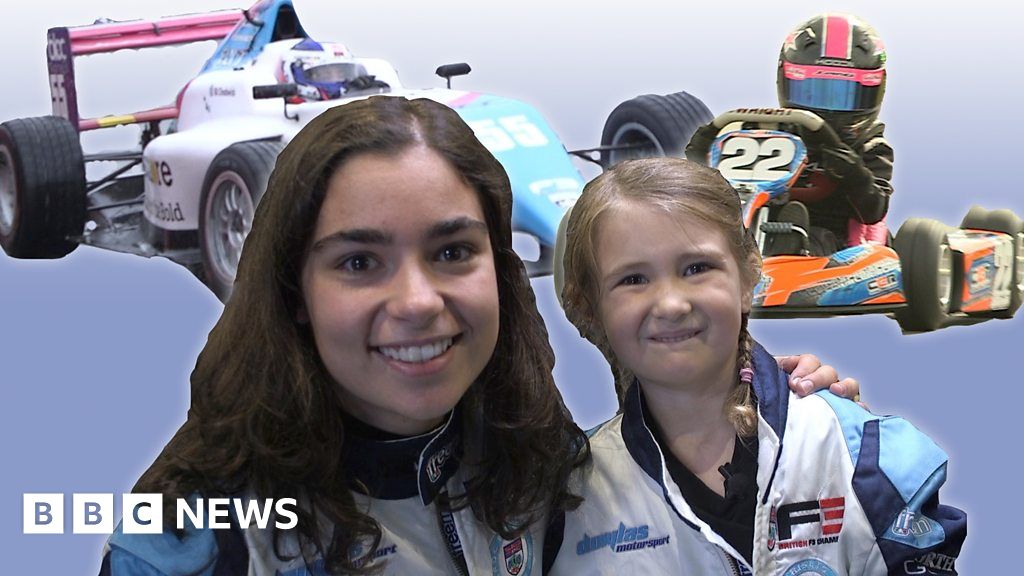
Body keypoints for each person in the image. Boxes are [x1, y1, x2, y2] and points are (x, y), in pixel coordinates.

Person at [99, 97, 852, 575]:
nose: (419, 301)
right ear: (295, 292)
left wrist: (779, 427)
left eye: (453, 252)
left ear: (500, 269)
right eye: (360, 261)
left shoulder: (547, 468)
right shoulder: (195, 542)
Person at [550, 158, 965, 575]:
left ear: (749, 279)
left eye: (696, 268)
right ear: (591, 307)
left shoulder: (865, 458)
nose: (672, 304)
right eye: (633, 279)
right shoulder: (568, 501)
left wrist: (843, 426)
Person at [688, 13, 894, 256]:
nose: (827, 108)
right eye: (813, 92)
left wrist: (852, 173)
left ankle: (785, 251)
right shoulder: (764, 132)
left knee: (808, 231)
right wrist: (700, 155)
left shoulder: (870, 146)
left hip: (830, 245)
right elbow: (712, 190)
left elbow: (873, 211)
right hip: (747, 225)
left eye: (842, 95)